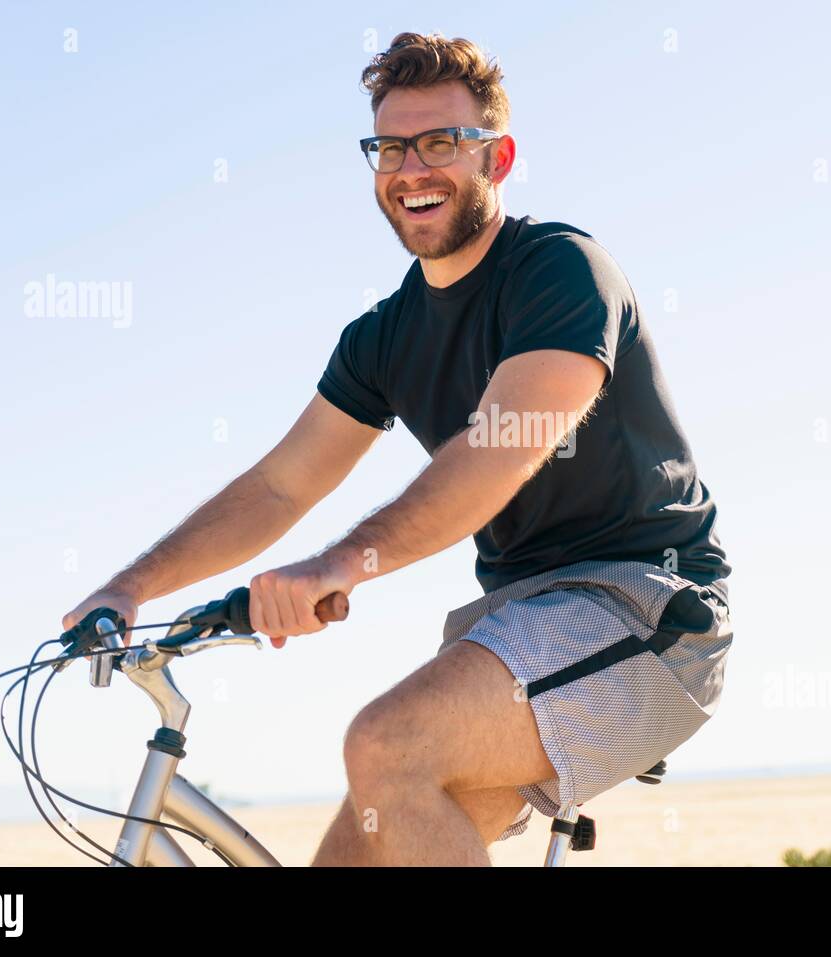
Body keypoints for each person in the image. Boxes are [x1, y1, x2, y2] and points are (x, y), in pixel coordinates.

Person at [63, 31, 732, 866]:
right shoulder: (382, 337)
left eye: (442, 142)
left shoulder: (561, 270)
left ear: (499, 158)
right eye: (390, 147)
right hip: (515, 624)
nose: (413, 168)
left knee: (387, 743)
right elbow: (279, 485)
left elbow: (504, 444)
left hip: (646, 608)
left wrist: (339, 563)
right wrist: (130, 586)